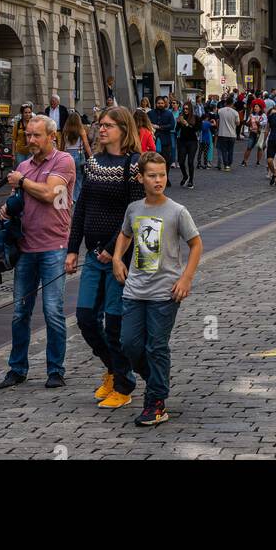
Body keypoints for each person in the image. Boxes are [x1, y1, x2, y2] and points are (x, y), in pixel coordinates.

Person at [115, 152, 202, 427]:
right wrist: (117, 257)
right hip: (135, 290)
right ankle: (156, 380)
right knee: (129, 344)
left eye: (162, 175)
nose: (158, 180)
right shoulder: (134, 209)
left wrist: (186, 278)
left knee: (156, 347)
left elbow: (196, 244)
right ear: (140, 178)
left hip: (165, 292)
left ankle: (156, 401)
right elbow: (125, 234)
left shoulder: (177, 211)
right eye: (152, 175)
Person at [66, 106, 143, 409]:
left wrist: (113, 250)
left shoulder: (133, 165)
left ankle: (124, 385)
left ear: (123, 129)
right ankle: (112, 368)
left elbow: (135, 214)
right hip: (91, 254)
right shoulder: (94, 163)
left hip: (118, 258)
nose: (102, 129)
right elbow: (82, 207)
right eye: (100, 124)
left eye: (109, 125)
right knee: (85, 317)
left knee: (114, 323)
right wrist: (72, 248)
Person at [0, 115, 75, 390]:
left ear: (51, 137)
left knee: (53, 311)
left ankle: (55, 369)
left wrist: (21, 183)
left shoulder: (63, 161)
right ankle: (17, 368)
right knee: (20, 312)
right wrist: (7, 211)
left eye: (36, 135)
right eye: (28, 135)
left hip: (54, 246)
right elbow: (19, 201)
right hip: (26, 248)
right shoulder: (23, 166)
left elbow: (50, 194)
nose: (30, 140)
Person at [62, 111, 91, 204]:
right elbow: (86, 145)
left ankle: (68, 197)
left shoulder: (65, 130)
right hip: (78, 155)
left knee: (68, 178)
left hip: (67, 155)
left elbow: (62, 147)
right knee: (79, 178)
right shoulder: (81, 130)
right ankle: (76, 198)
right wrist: (92, 157)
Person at [148, 97, 176, 183]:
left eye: (162, 103)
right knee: (153, 161)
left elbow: (172, 125)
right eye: (158, 103)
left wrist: (160, 127)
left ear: (165, 104)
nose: (160, 105)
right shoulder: (150, 113)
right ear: (156, 104)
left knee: (166, 161)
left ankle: (166, 178)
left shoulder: (169, 113)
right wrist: (151, 125)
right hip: (153, 140)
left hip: (165, 140)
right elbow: (146, 123)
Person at [176, 102, 199, 189]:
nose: (185, 110)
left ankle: (191, 180)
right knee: (181, 161)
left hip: (192, 142)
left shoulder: (196, 118)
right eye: (184, 109)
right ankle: (185, 176)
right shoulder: (181, 117)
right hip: (182, 141)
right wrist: (178, 122)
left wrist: (187, 124)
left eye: (187, 109)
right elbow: (176, 129)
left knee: (190, 162)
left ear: (190, 109)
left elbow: (196, 129)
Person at [216, 97, 239, 171]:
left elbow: (217, 121)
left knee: (224, 150)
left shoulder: (220, 111)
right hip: (232, 134)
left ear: (225, 103)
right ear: (232, 103)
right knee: (230, 150)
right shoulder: (235, 112)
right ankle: (229, 163)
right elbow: (238, 123)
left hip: (222, 133)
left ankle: (226, 165)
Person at [241, 102, 265, 168]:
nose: (255, 108)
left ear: (260, 108)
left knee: (260, 147)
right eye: (255, 107)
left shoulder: (263, 115)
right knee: (249, 147)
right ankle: (244, 161)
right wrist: (249, 122)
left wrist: (259, 123)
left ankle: (258, 161)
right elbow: (247, 123)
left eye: (257, 107)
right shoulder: (251, 115)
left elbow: (265, 123)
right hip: (252, 133)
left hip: (260, 133)